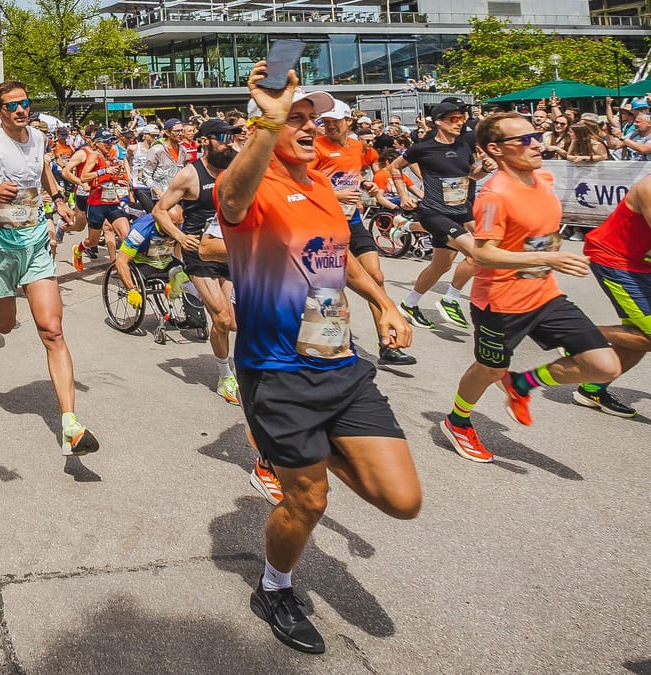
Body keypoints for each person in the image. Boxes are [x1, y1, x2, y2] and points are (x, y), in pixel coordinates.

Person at [215, 65, 420, 655]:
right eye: (296, 119)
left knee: (401, 500)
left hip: (340, 363)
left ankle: (290, 450)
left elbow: (340, 257)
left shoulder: (324, 186)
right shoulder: (249, 187)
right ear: (266, 125)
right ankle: (273, 587)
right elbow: (231, 197)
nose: (309, 127)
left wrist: (383, 303)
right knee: (308, 501)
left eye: (312, 118)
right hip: (278, 373)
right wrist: (269, 120)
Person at [440, 113, 620, 463]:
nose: (536, 143)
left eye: (536, 135)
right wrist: (549, 258)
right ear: (495, 149)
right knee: (489, 369)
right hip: (500, 303)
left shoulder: (544, 177)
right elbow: (483, 253)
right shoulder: (495, 195)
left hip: (546, 295)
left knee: (604, 365)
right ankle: (458, 421)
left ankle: (522, 384)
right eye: (524, 139)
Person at [0, 80, 99, 457]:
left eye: (25, 103)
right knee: (4, 324)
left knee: (52, 330)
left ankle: (70, 424)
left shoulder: (38, 137)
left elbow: (42, 170)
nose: (20, 110)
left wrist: (58, 200)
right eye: (12, 105)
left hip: (34, 243)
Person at [313, 100, 416, 366]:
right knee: (335, 284)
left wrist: (367, 183)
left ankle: (387, 344)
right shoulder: (316, 146)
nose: (330, 125)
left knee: (376, 277)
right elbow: (303, 184)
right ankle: (338, 344)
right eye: (326, 121)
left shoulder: (357, 146)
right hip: (326, 220)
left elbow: (354, 173)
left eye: (336, 120)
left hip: (353, 219)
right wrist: (336, 195)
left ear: (349, 121)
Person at [149, 118, 242, 403]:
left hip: (231, 250)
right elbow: (159, 210)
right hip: (199, 251)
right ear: (204, 141)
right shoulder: (190, 175)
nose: (228, 143)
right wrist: (179, 236)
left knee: (235, 323)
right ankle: (225, 376)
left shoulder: (237, 165)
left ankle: (185, 283)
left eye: (230, 137)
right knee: (221, 318)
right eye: (221, 138)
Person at [389, 101, 492, 331]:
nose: (459, 123)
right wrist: (403, 196)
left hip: (458, 213)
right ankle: (451, 298)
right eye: (453, 119)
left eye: (461, 118)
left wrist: (484, 169)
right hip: (434, 213)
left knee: (441, 266)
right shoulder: (423, 148)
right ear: (438, 122)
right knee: (479, 252)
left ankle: (409, 304)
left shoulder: (464, 146)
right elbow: (395, 167)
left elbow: (472, 175)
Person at [571, 173, 651, 417]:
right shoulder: (649, 187)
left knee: (638, 338)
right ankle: (573, 336)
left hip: (640, 264)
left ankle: (593, 389)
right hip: (614, 260)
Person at [72, 130, 132, 267]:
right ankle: (78, 249)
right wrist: (104, 171)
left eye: (111, 141)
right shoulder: (94, 156)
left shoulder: (111, 157)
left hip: (112, 202)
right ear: (97, 143)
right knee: (92, 241)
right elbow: (84, 177)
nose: (109, 144)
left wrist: (117, 180)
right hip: (96, 204)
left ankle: (123, 266)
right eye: (106, 141)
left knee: (126, 236)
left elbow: (109, 177)